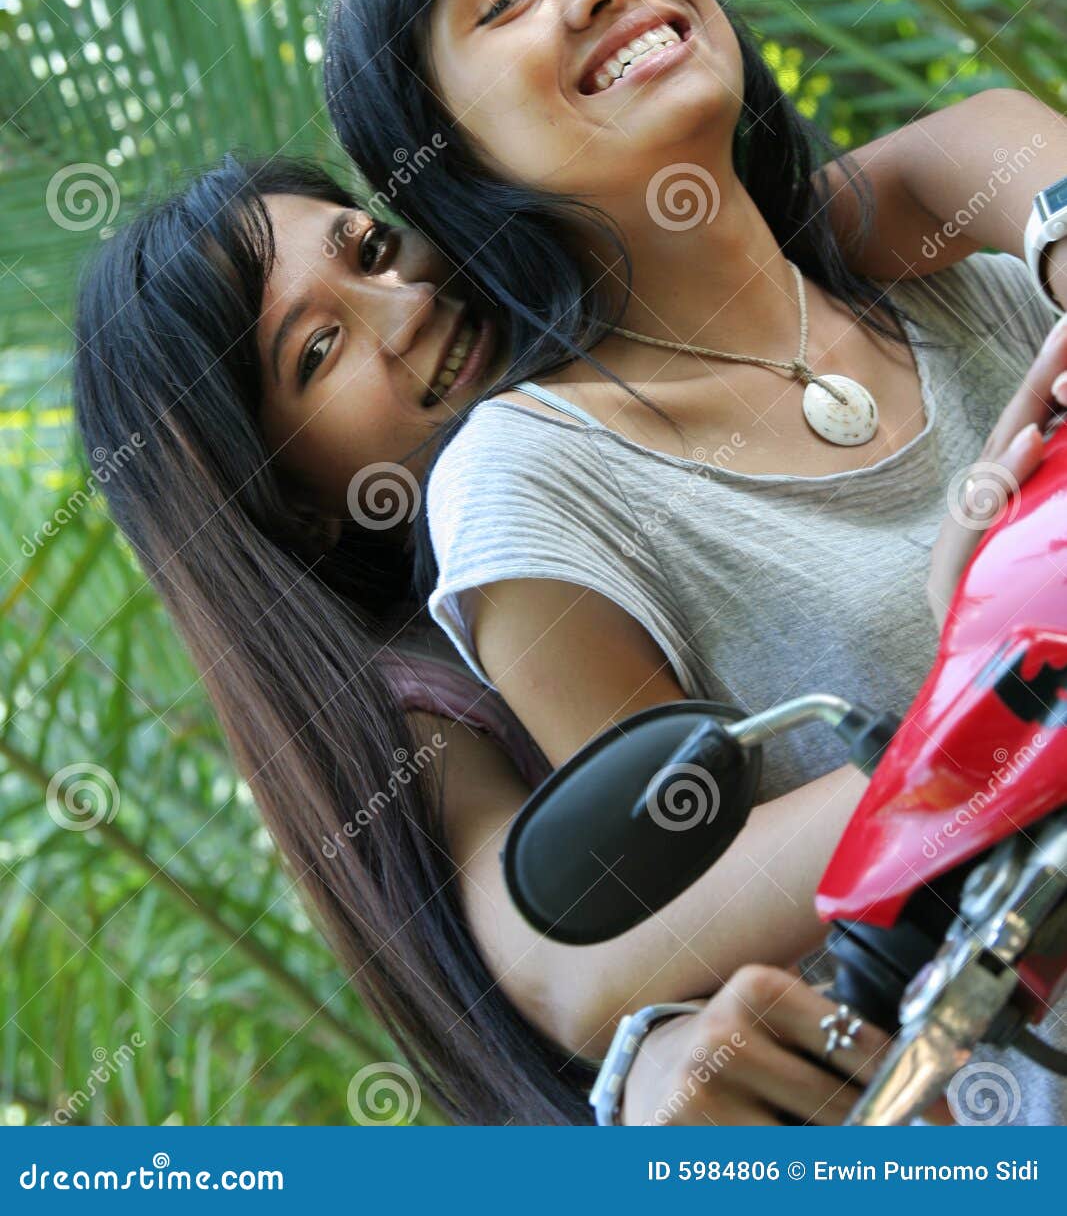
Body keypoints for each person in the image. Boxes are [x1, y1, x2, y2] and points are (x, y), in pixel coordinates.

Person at [74, 133, 1064, 1123]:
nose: (404, 307)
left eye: (370, 251)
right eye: (317, 350)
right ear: (290, 504)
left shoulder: (660, 323)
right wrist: (988, 731)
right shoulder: (413, 696)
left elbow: (937, 159)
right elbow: (567, 970)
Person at [319, 0, 1067, 1116]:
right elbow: (713, 937)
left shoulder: (979, 273)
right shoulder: (532, 478)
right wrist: (984, 674)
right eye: (502, 1)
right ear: (447, 160)